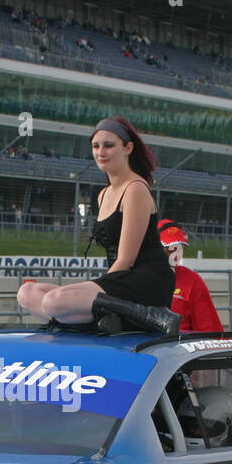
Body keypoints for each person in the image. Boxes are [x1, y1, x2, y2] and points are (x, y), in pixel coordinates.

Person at [17, 117, 178, 335]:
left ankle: (147, 315)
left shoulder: (135, 189)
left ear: (128, 148)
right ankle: (105, 319)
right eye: (96, 146)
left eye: (109, 145)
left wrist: (97, 288)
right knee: (26, 293)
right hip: (118, 279)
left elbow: (126, 260)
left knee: (54, 302)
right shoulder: (103, 195)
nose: (101, 152)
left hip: (145, 281)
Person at [157, 219, 222, 332]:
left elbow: (209, 331)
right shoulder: (138, 277)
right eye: (168, 249)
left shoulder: (192, 281)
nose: (175, 255)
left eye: (179, 248)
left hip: (178, 346)